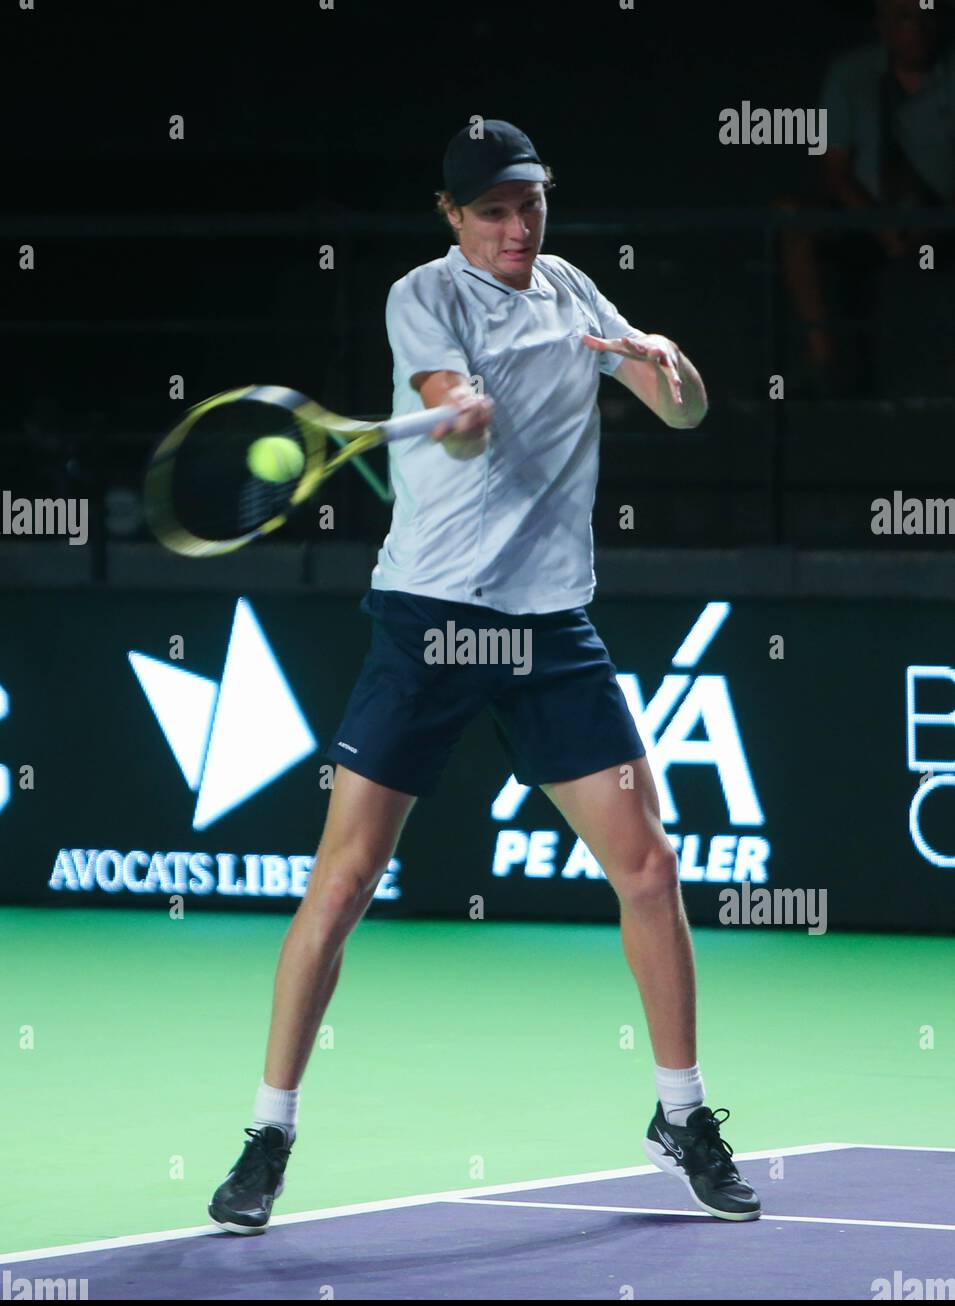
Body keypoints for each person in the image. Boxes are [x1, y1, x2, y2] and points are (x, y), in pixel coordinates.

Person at [208, 119, 761, 1235]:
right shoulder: (426, 296)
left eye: (532, 203)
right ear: (454, 217)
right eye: (496, 210)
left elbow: (687, 411)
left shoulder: (570, 288)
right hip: (430, 622)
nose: (519, 227)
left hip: (551, 629)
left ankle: (680, 1115)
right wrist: (459, 413)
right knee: (347, 878)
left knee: (648, 867)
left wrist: (659, 356)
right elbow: (454, 424)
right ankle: (269, 1132)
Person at [778, 0, 955, 394]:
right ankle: (825, 366)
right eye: (907, 16)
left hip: (943, 221)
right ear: (884, 23)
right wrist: (883, 227)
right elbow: (835, 168)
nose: (920, 27)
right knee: (791, 215)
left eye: (928, 14)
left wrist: (932, 224)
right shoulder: (851, 74)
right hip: (870, 222)